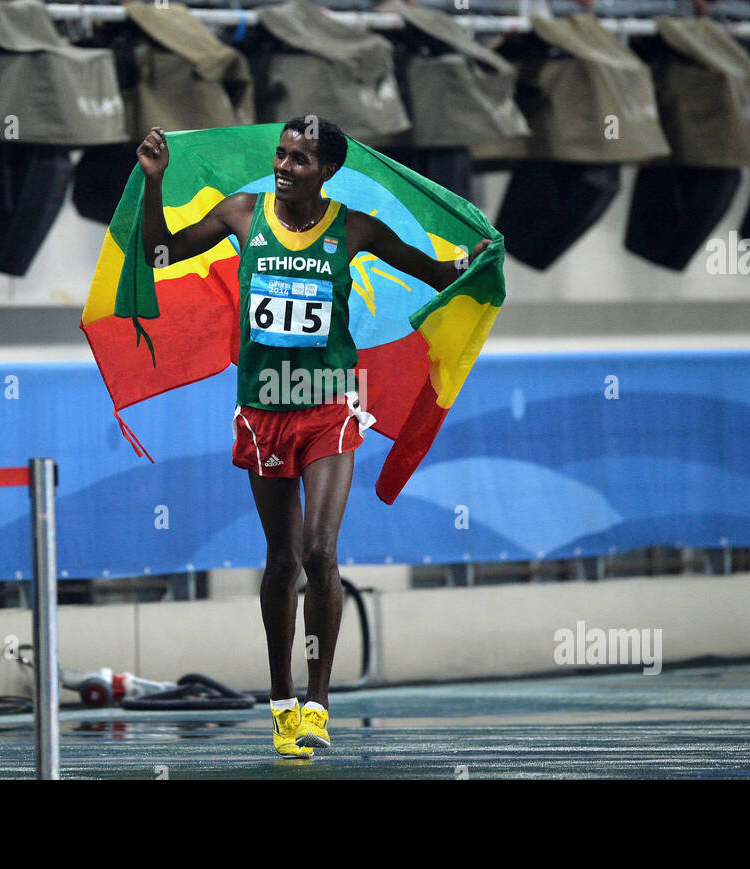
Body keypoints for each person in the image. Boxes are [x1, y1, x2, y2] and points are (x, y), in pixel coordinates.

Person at [136, 116, 490, 758]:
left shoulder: (354, 228)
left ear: (328, 171)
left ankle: (318, 705)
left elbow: (441, 274)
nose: (284, 166)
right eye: (281, 154)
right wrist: (154, 185)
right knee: (282, 561)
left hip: (328, 408)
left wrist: (480, 254)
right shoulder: (243, 214)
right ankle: (280, 698)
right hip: (265, 409)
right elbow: (156, 253)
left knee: (322, 553)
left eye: (300, 159)